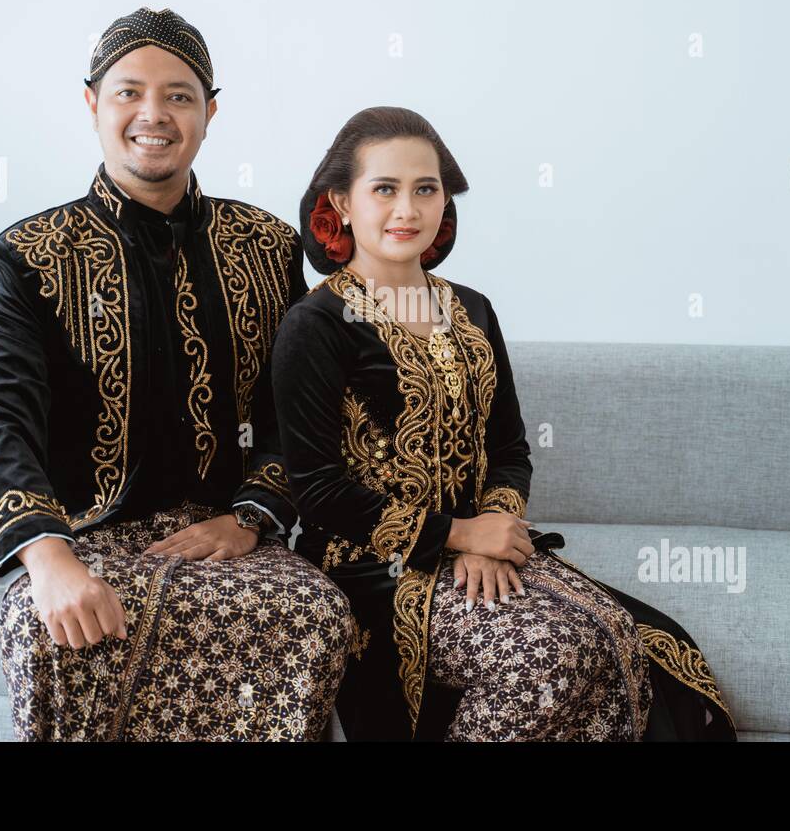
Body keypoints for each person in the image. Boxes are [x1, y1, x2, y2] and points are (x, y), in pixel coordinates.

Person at [271, 106, 736, 740]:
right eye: (385, 189)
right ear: (340, 203)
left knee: (622, 643)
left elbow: (510, 448)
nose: (407, 209)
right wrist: (458, 536)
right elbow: (317, 490)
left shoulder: (474, 309)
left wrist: (494, 529)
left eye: (425, 189)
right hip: (371, 565)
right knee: (548, 657)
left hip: (485, 546)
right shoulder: (316, 325)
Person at [0, 7, 354, 741]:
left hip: (227, 529)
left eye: (178, 95)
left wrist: (248, 519)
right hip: (83, 533)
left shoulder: (266, 244)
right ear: (92, 104)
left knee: (314, 612)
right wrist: (48, 560)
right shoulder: (31, 254)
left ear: (209, 111)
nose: (154, 114)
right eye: (129, 92)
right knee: (54, 632)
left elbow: (299, 412)